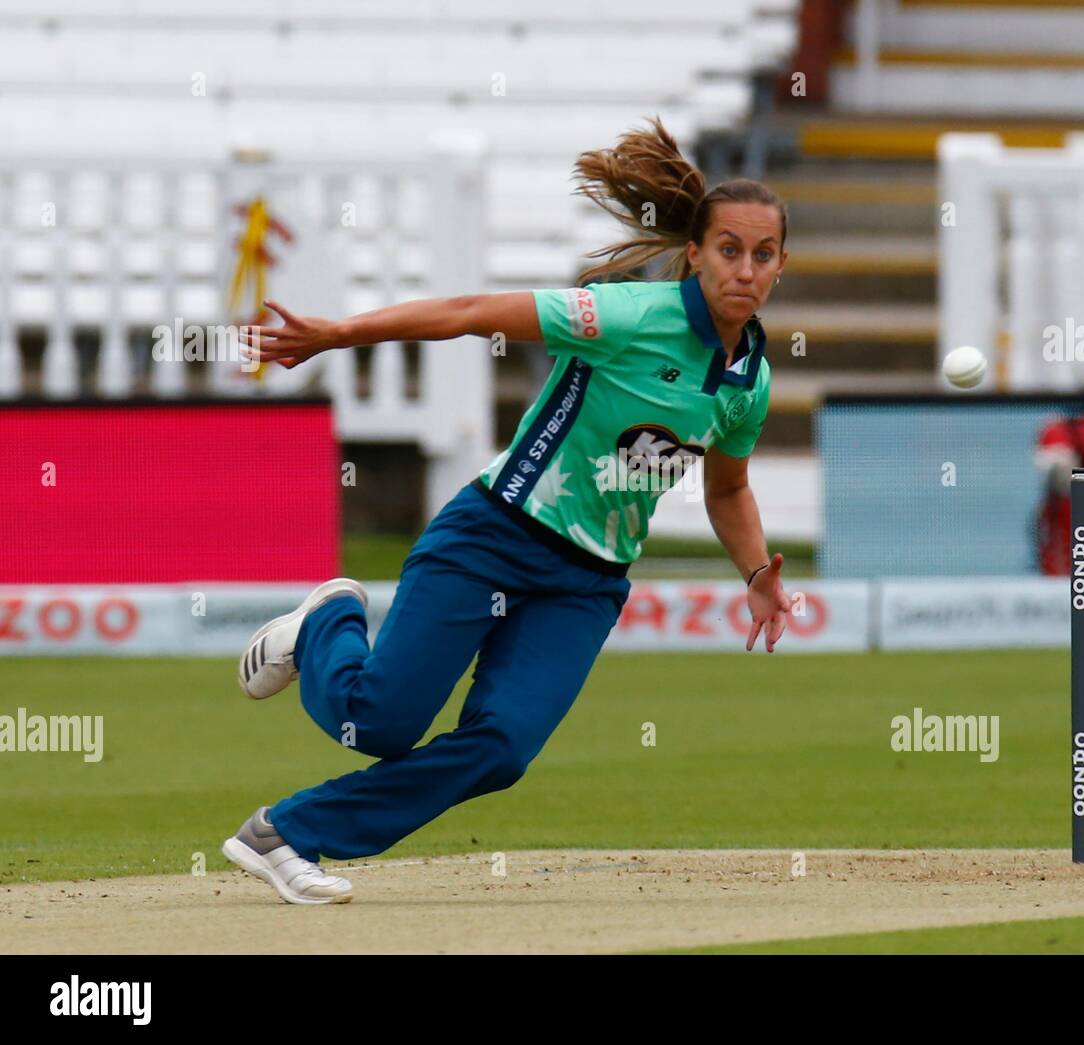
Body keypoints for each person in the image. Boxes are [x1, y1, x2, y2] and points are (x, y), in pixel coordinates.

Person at [220, 118, 792, 904]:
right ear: (694, 253)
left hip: (587, 584)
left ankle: (288, 832)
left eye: (763, 255)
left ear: (781, 266)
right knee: (380, 721)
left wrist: (757, 570)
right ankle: (325, 622)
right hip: (495, 534)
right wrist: (337, 334)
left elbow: (727, 488)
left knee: (502, 749)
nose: (746, 268)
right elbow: (468, 310)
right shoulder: (625, 316)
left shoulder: (751, 379)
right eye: (730, 249)